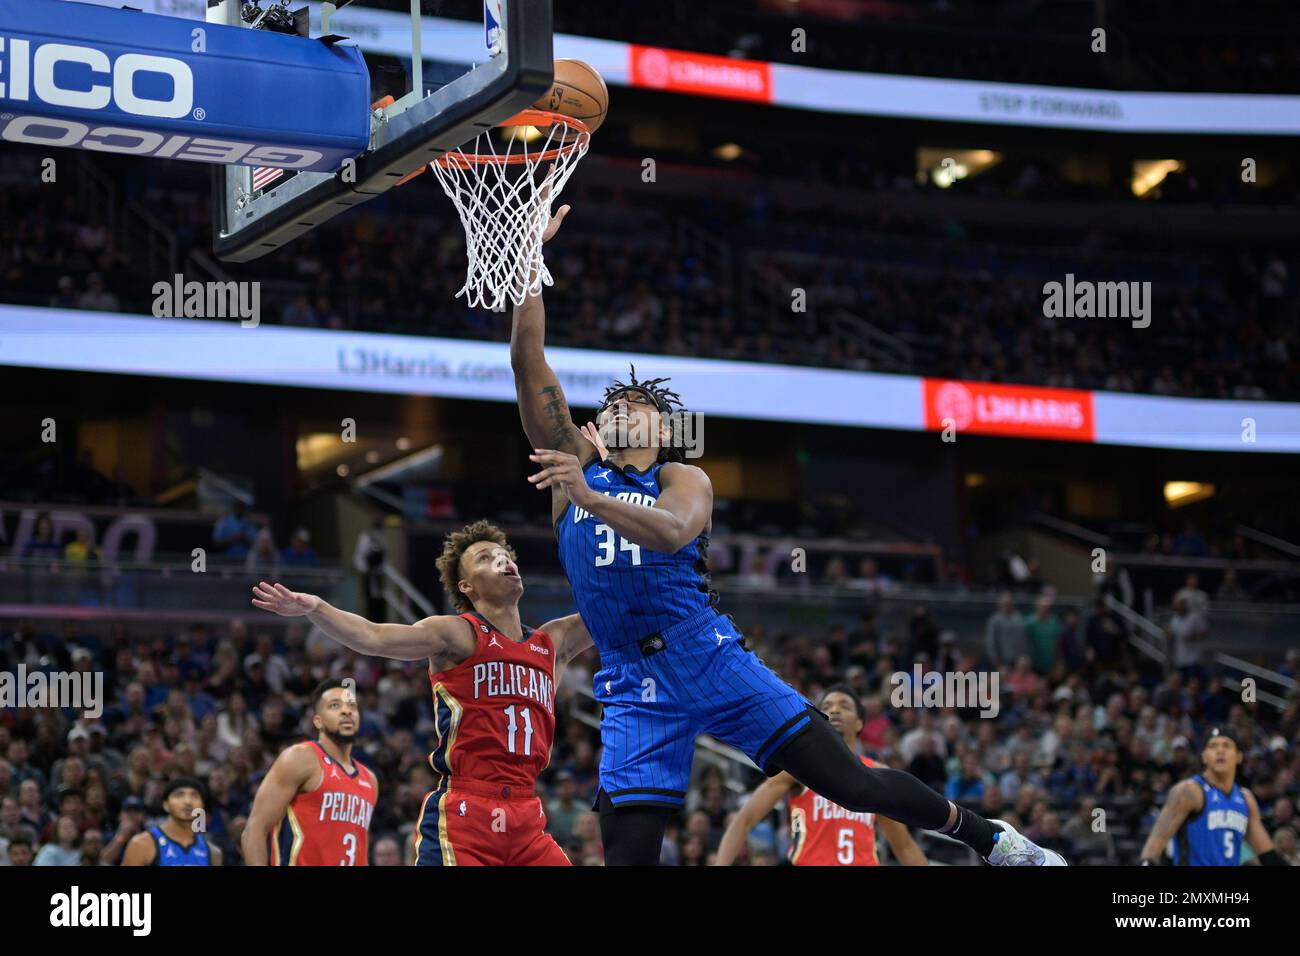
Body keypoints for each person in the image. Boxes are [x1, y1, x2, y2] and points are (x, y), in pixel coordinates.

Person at [507, 202, 1064, 867]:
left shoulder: (681, 480)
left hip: (707, 653)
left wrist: (592, 496)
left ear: (662, 433)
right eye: (617, 403)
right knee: (628, 856)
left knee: (851, 784)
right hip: (631, 678)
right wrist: (527, 260)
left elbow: (672, 534)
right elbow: (527, 357)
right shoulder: (570, 463)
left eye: (644, 407)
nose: (627, 407)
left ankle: (990, 839)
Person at [252, 520, 593, 866]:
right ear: (467, 586)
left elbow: (618, 607)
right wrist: (316, 608)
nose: (503, 561)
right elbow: (374, 637)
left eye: (505, 555)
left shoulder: (551, 642)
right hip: (466, 812)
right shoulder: (458, 634)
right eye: (487, 558)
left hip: (526, 814)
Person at [715, 686, 928, 866]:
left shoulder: (878, 773)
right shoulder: (800, 768)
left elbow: (905, 847)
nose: (834, 710)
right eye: (826, 707)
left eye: (844, 706)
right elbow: (744, 820)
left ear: (860, 723)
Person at [240, 680, 376, 866]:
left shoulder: (370, 779)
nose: (346, 711)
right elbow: (254, 829)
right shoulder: (301, 758)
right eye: (335, 705)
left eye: (352, 706)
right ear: (318, 721)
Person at [1139, 728, 1287, 866]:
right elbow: (1154, 847)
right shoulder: (1189, 791)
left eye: (1227, 745)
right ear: (1204, 756)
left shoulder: (1245, 799)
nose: (1220, 751)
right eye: (1213, 746)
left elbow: (1268, 855)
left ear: (1239, 756)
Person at [122, 778, 221, 866]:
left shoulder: (213, 853)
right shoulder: (141, 845)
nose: (187, 801)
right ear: (166, 805)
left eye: (194, 796)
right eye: (179, 795)